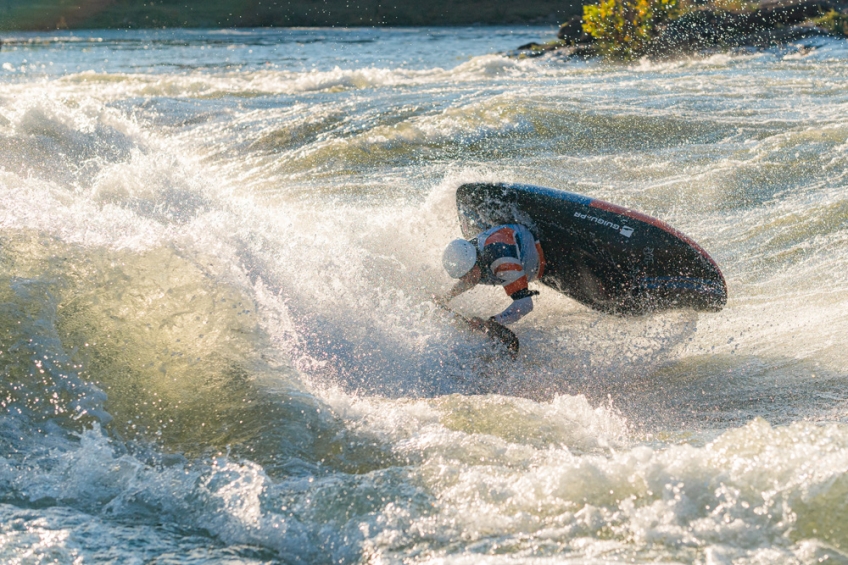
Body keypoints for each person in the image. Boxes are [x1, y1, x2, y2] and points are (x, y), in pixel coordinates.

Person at [437, 223, 545, 329]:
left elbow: (525, 304)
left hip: (541, 255)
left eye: (467, 275)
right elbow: (468, 279)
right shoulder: (470, 254)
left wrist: (490, 323)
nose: (466, 280)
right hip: (515, 243)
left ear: (475, 263)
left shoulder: (501, 261)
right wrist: (446, 297)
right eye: (462, 277)